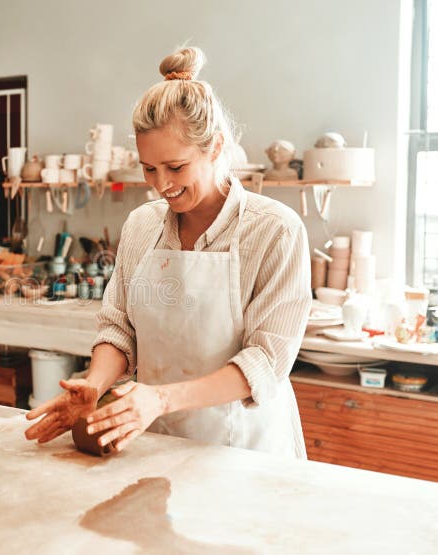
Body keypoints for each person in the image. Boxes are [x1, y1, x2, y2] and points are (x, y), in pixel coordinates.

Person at [26, 46, 311, 459]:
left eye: (175, 168)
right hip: (156, 442)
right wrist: (95, 383)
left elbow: (266, 361)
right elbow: (119, 328)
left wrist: (159, 399)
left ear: (214, 148)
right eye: (148, 168)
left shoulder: (275, 231)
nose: (161, 185)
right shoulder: (143, 226)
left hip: (244, 452)